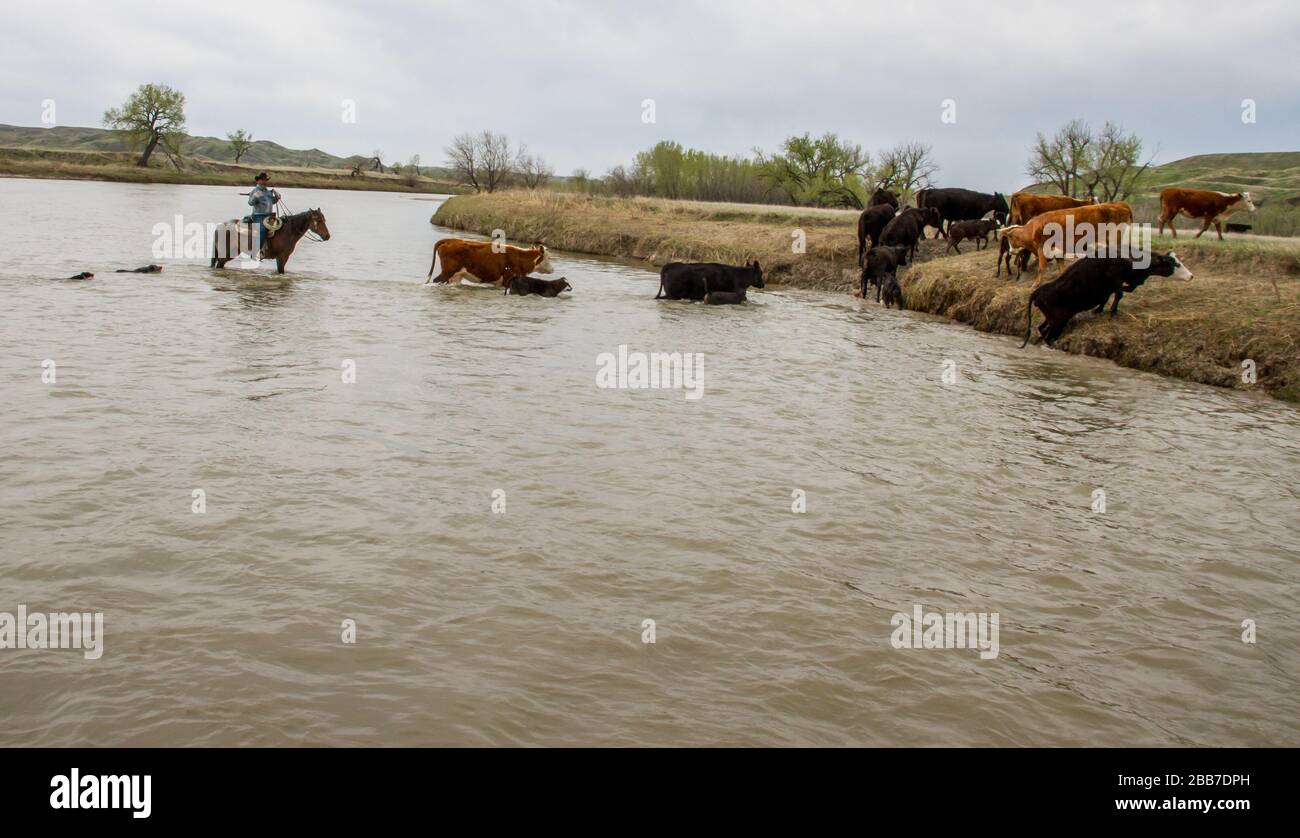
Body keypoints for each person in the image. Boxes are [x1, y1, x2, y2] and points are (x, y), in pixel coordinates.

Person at [245, 172, 281, 256]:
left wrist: (277, 198)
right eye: (262, 180)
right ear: (258, 181)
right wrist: (255, 196)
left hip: (269, 216)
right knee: (262, 230)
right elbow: (250, 203)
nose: (264, 182)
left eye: (265, 180)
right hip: (258, 215)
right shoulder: (254, 191)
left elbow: (272, 202)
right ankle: (255, 251)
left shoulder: (268, 192)